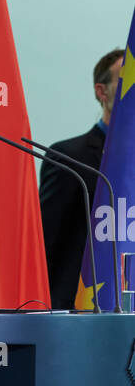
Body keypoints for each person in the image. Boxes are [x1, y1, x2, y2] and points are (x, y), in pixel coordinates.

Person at [39, 48, 124, 309]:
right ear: (102, 91)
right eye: (127, 82)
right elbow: (47, 244)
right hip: (83, 310)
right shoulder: (69, 157)